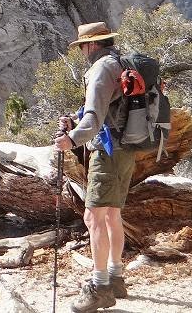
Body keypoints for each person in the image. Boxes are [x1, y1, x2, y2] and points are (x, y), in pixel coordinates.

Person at [53, 21, 135, 312]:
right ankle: (116, 278)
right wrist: (76, 120)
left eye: (83, 47)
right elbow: (110, 108)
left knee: (93, 217)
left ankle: (100, 288)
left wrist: (71, 140)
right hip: (126, 151)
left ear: (91, 45)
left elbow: (94, 122)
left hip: (108, 152)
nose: (82, 52)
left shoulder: (100, 68)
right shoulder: (121, 61)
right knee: (113, 214)